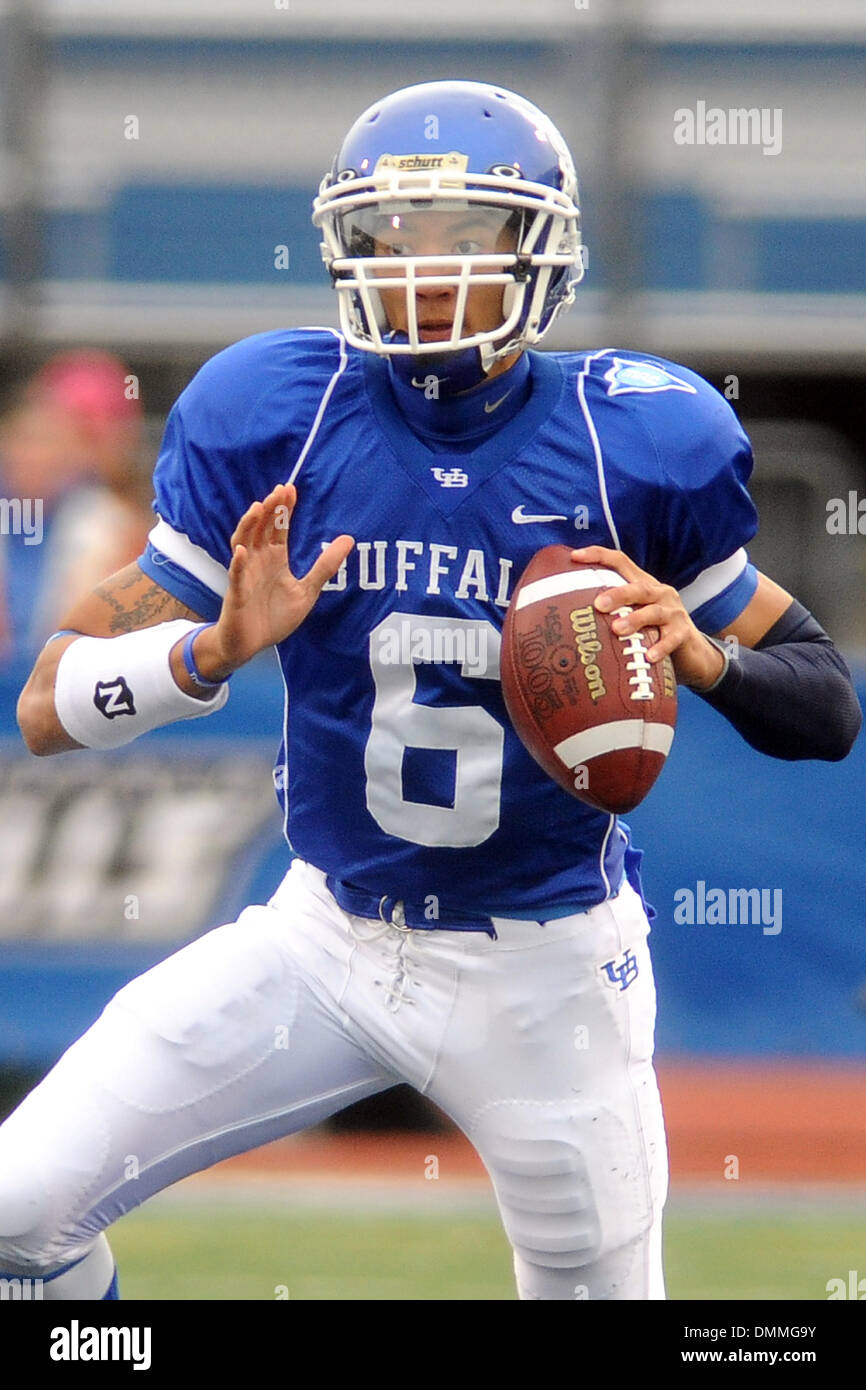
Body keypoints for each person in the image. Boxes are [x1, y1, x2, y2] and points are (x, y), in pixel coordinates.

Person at [1, 80, 861, 1302]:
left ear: (540, 255)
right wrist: (211, 650)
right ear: (347, 246)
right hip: (325, 937)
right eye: (395, 237)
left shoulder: (638, 442)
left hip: (546, 964)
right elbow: (46, 705)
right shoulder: (275, 417)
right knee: (16, 1210)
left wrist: (699, 652)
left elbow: (826, 706)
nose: (424, 269)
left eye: (466, 237)